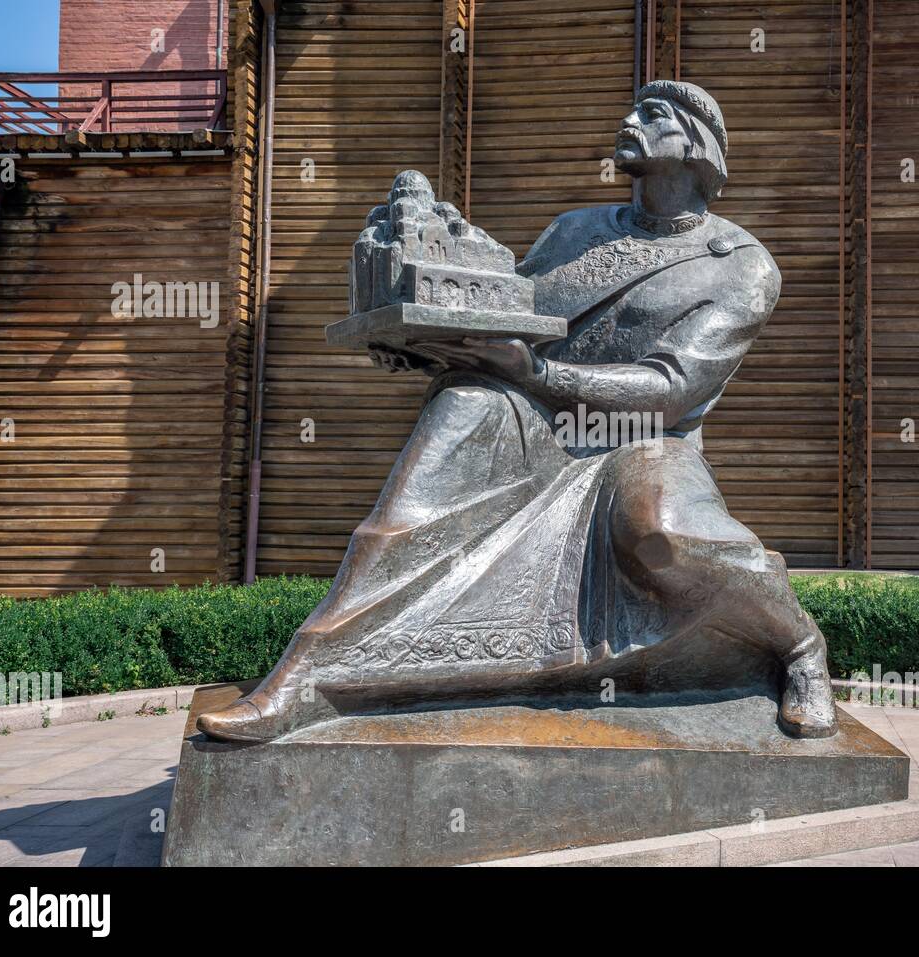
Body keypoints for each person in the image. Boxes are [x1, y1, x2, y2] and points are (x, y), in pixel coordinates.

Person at [198, 80, 837, 742]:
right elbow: (509, 317)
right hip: (540, 421)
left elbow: (669, 387)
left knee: (661, 530)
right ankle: (306, 674)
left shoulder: (741, 267)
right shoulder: (577, 231)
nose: (628, 119)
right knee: (459, 412)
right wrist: (421, 344)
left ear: (696, 143)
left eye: (652, 115)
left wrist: (537, 372)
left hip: (645, 437)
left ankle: (798, 648)